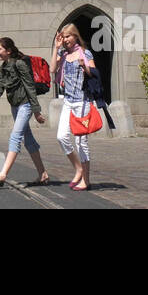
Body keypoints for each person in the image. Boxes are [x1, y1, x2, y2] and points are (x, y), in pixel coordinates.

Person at [0, 36, 49, 185]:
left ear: (8, 51)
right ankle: (43, 174)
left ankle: (2, 175)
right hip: (15, 105)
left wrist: (36, 111)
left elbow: (29, 87)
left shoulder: (20, 64)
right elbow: (0, 86)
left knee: (15, 136)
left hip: (25, 104)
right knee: (29, 140)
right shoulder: (3, 67)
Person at [51, 23, 97, 190]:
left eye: (69, 36)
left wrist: (84, 66)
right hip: (68, 101)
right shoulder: (63, 54)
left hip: (82, 101)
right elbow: (52, 69)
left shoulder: (85, 53)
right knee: (61, 136)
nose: (66, 40)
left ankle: (86, 179)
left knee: (81, 142)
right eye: (64, 37)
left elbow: (94, 73)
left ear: (76, 36)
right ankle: (78, 168)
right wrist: (56, 49)